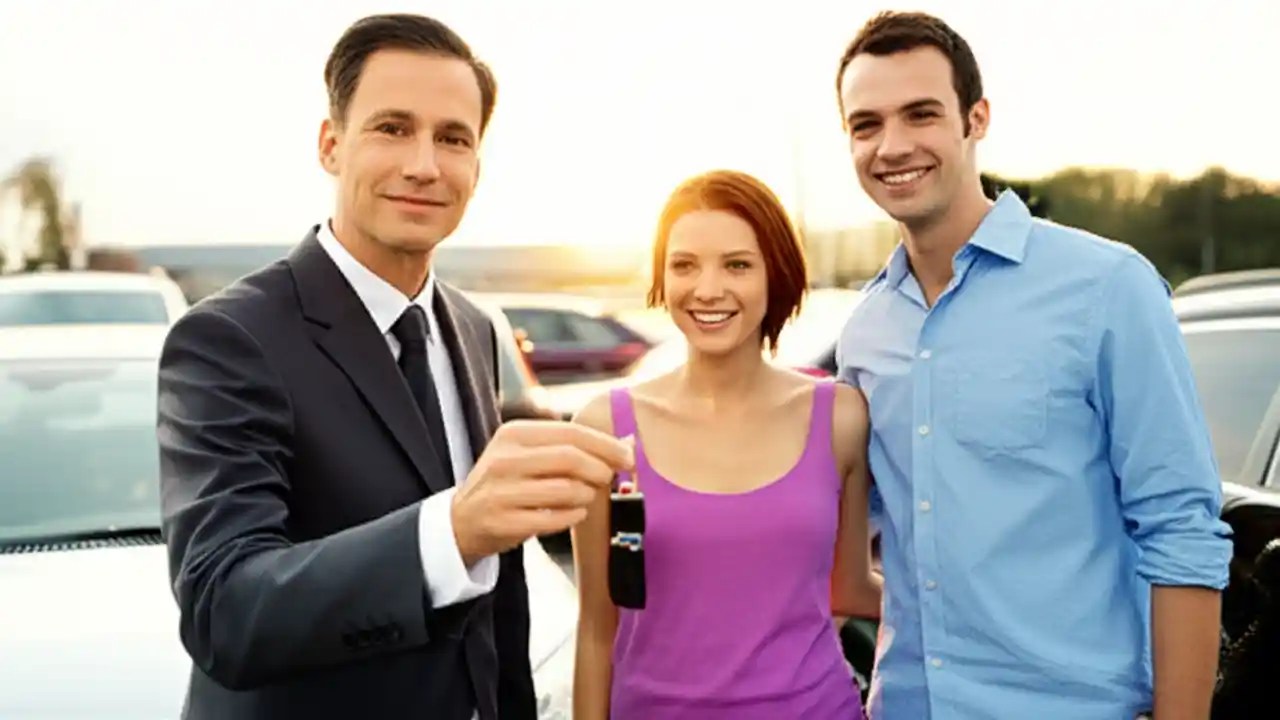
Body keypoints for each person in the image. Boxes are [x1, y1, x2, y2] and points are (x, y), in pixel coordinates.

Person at [155, 13, 633, 720]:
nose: (424, 165)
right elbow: (226, 609)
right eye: (392, 128)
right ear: (330, 144)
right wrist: (453, 530)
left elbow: (499, 608)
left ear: (477, 166)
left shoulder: (474, 327)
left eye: (453, 139)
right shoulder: (227, 338)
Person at [832, 10, 1233, 720]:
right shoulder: (866, 331)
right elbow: (836, 538)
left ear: (975, 119)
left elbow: (1182, 530)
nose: (892, 146)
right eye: (866, 125)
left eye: (920, 114)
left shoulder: (1108, 288)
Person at [570, 169, 883, 720]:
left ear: (775, 274)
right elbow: (598, 627)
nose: (707, 289)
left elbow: (850, 590)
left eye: (737, 264)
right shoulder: (605, 430)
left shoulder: (839, 417)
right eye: (684, 265)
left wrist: (981, 611)